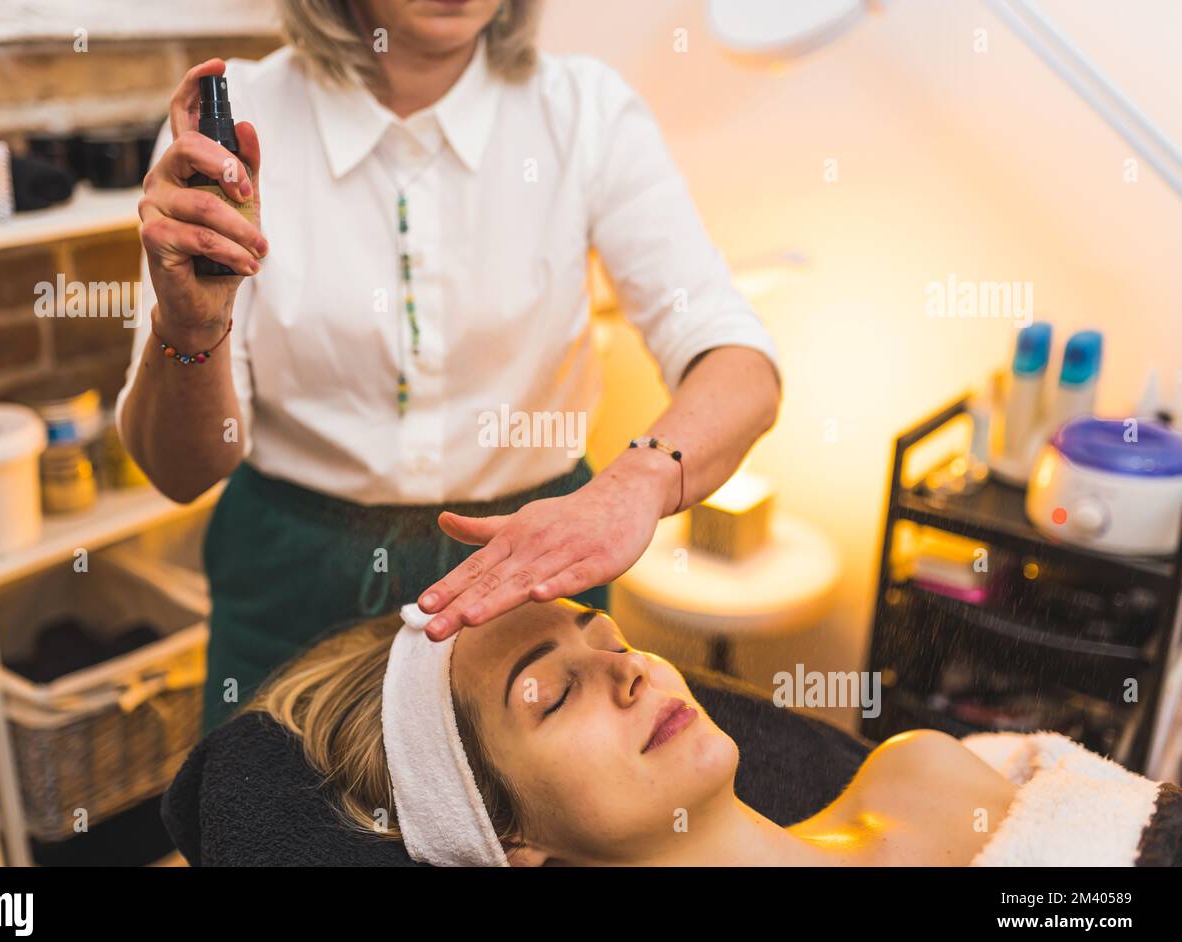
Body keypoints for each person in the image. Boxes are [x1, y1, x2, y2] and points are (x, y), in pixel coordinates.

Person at [117, 0, 782, 734]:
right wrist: (190, 324)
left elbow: (737, 361)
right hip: (292, 590)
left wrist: (639, 482)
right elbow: (181, 472)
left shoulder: (584, 111)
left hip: (533, 588)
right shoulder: (236, 122)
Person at [248, 598, 1039, 866]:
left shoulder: (924, 775)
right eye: (555, 695)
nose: (634, 671)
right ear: (507, 832)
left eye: (612, 639)